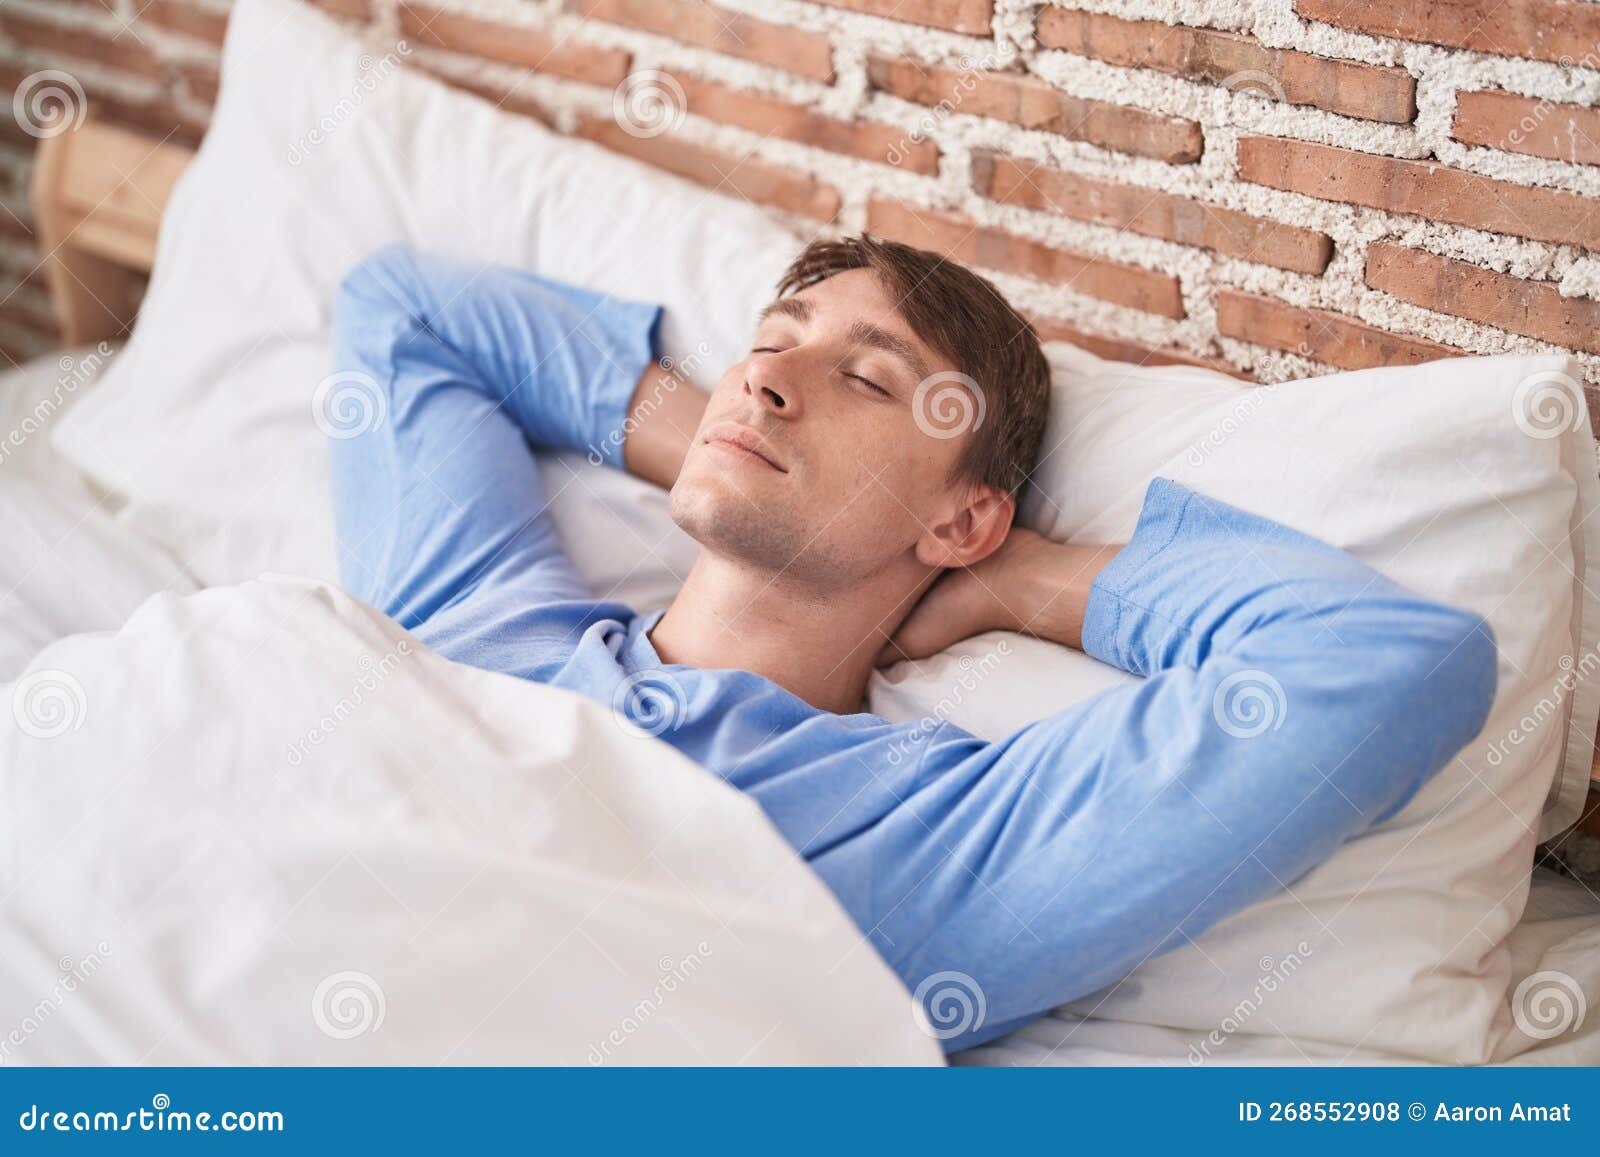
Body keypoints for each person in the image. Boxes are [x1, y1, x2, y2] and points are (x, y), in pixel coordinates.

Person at [327, 236, 1497, 1052]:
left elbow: (1389, 659)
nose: (769, 375)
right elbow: (405, 309)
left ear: (961, 515)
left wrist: (1021, 577)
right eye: (771, 342)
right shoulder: (474, 611)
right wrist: (722, 439)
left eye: (866, 378)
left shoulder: (923, 841)